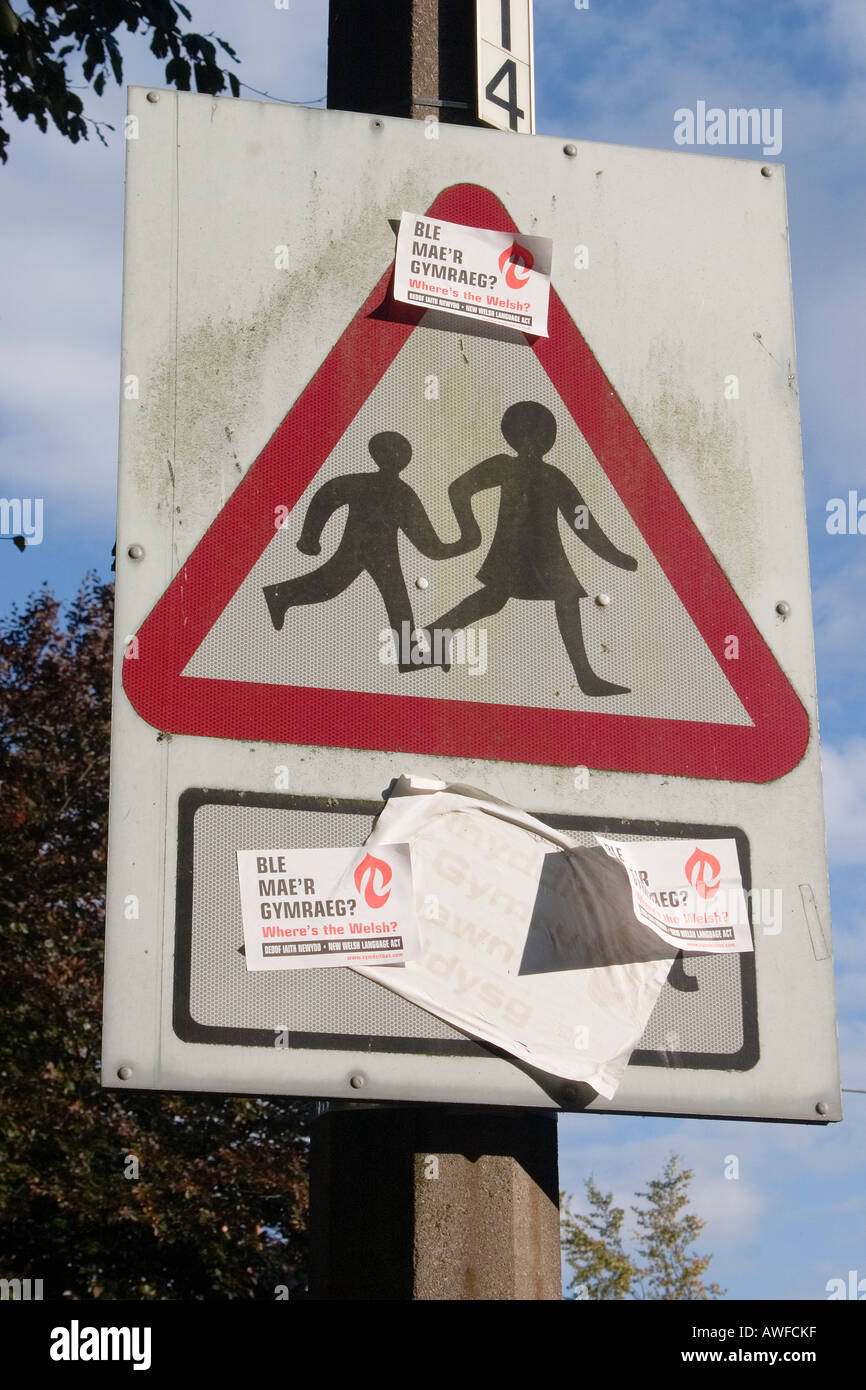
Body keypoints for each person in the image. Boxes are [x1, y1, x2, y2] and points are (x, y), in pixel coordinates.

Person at [424, 401, 638, 695]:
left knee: (538, 599)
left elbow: (582, 521)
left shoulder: (554, 476)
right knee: (505, 598)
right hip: (515, 551)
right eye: (525, 437)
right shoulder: (503, 466)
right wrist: (470, 532)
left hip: (546, 554)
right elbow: (459, 489)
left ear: (548, 441)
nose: (532, 445)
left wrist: (615, 556)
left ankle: (436, 633)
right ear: (513, 437)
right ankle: (586, 679)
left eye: (538, 438)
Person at [263, 431, 458, 670]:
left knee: (337, 587)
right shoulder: (398, 491)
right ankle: (279, 595)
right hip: (371, 551)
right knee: (373, 595)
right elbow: (326, 497)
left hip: (371, 551)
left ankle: (280, 594)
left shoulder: (371, 485)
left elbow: (326, 496)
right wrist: (309, 538)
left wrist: (310, 538)